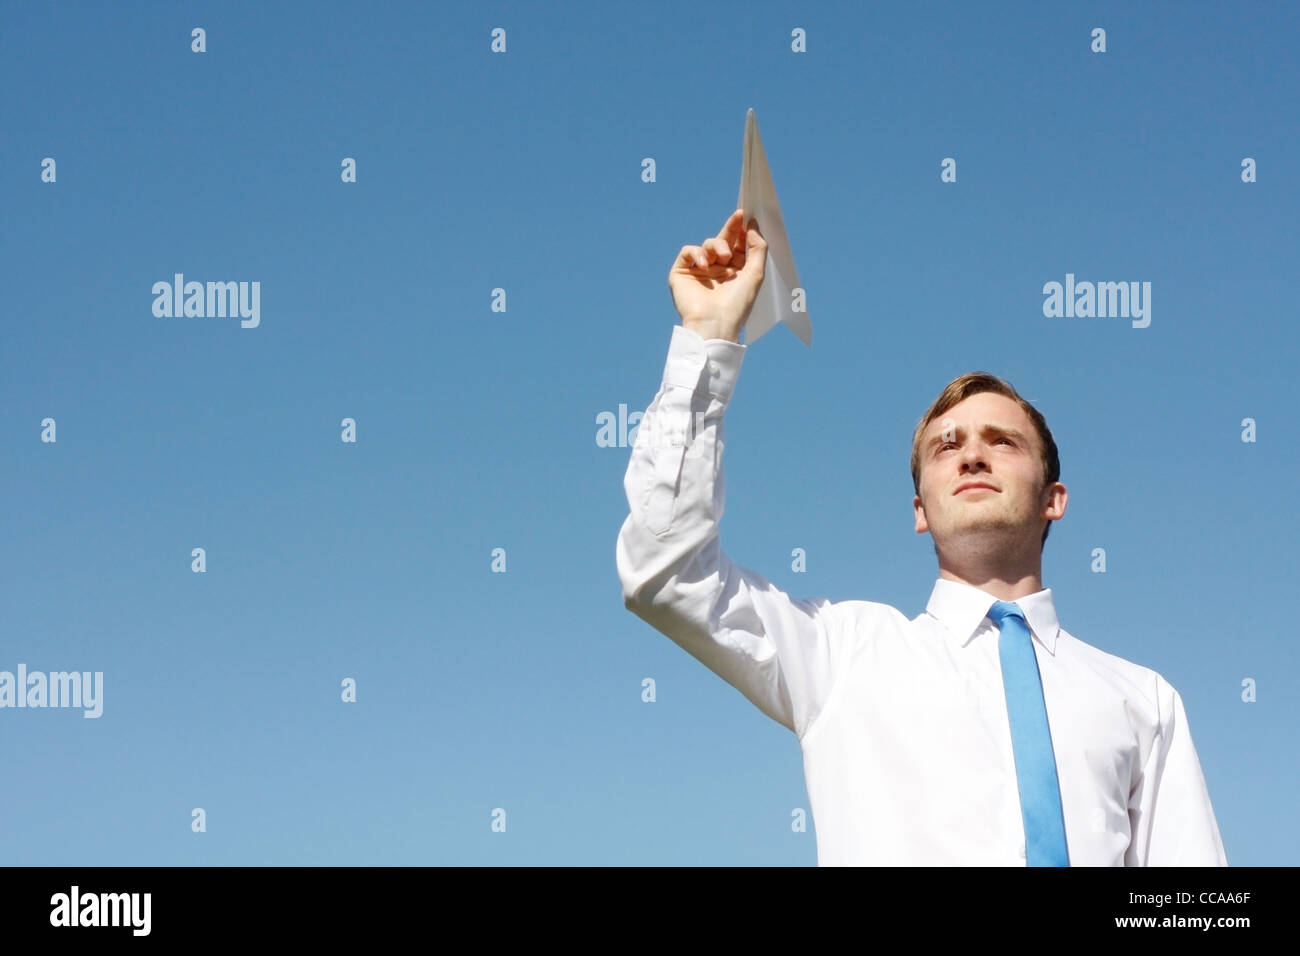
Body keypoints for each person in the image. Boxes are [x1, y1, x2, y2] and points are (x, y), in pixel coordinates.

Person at [614, 208, 1227, 866]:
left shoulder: (1144, 700)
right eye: (946, 446)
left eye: (1003, 442)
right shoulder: (842, 655)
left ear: (1054, 499)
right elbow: (667, 572)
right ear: (919, 510)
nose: (971, 456)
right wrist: (705, 339)